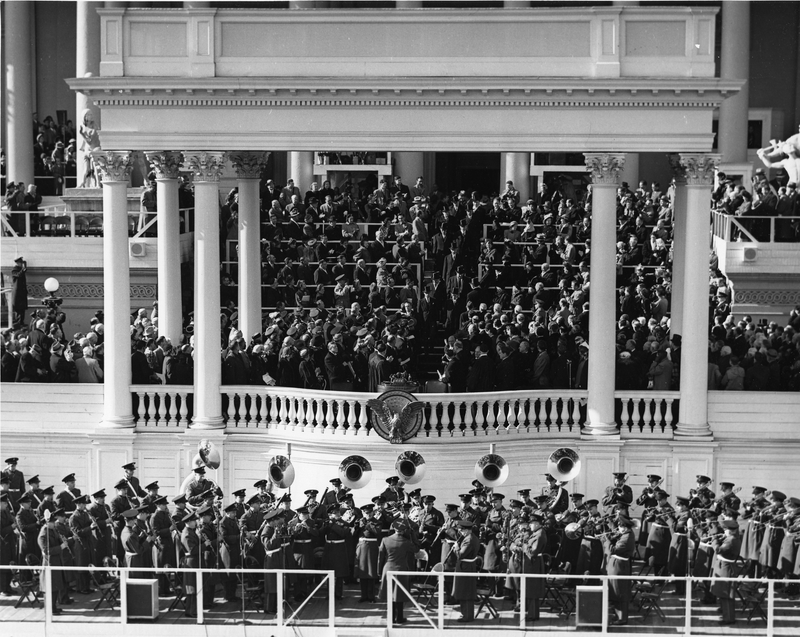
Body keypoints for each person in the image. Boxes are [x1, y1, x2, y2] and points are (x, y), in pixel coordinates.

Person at [378, 519, 418, 625]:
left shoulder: (385, 540)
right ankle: (399, 617)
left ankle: (391, 618)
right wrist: (413, 535)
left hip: (388, 568)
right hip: (401, 569)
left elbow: (380, 558)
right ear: (404, 530)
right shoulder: (406, 542)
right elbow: (416, 549)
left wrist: (379, 571)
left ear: (394, 528)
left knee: (390, 594)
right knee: (399, 595)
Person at [604, 513, 636, 625]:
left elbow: (614, 550)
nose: (619, 528)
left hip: (620, 566)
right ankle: (617, 616)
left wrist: (607, 540)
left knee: (619, 591)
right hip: (617, 565)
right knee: (615, 590)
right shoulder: (625, 534)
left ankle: (622, 618)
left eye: (620, 526)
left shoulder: (627, 537)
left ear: (625, 527)